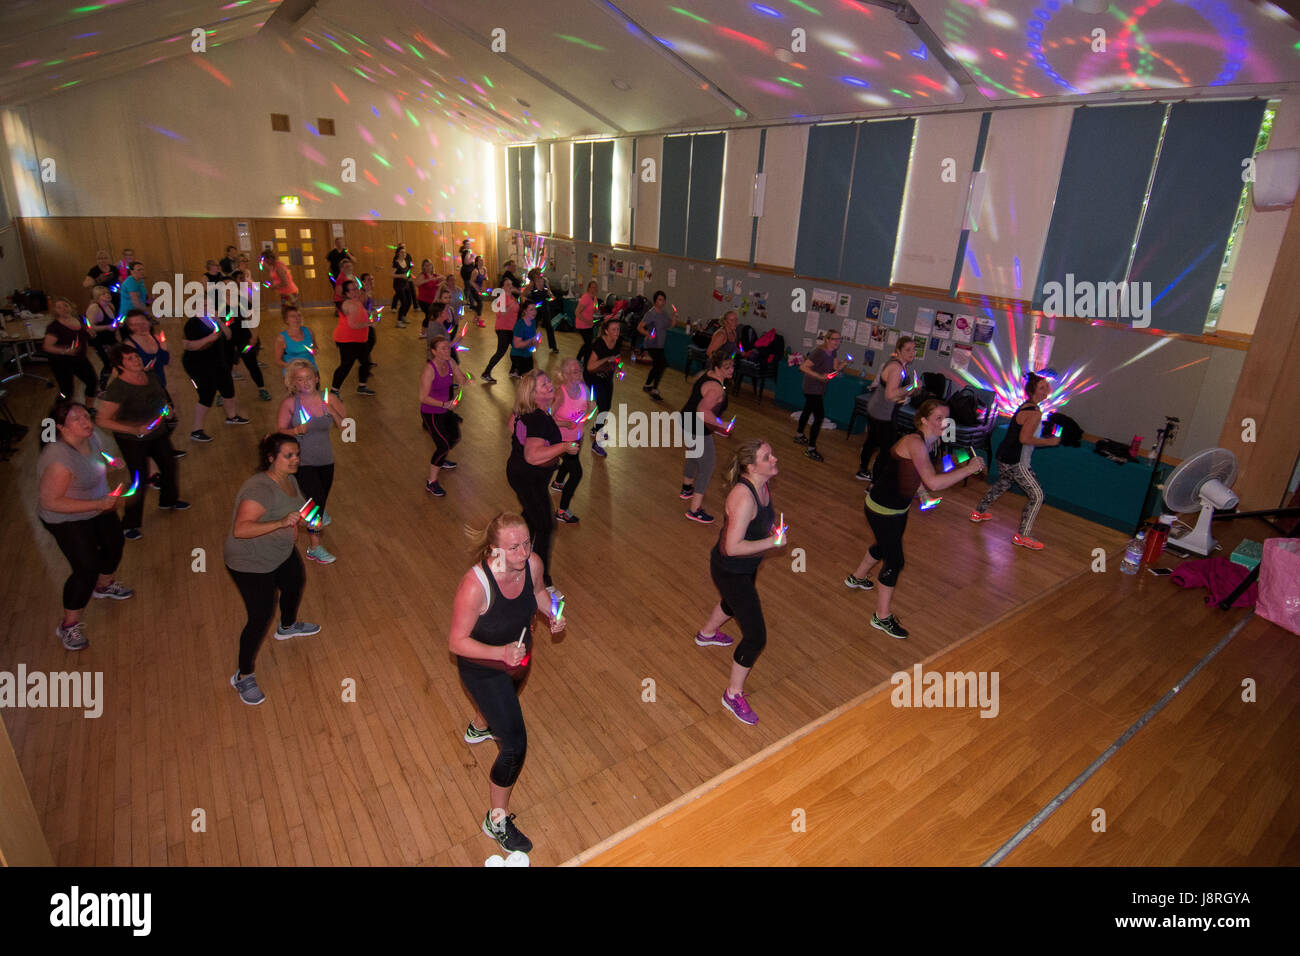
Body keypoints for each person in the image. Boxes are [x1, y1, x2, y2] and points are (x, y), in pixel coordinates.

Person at [450, 512, 566, 853]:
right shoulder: (475, 585)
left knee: (503, 704)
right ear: (493, 550)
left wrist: (555, 613)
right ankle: (496, 820)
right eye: (513, 547)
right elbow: (456, 642)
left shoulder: (532, 564)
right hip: (484, 668)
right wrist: (501, 653)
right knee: (514, 746)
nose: (523, 552)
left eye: (527, 542)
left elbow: (542, 592)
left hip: (519, 659)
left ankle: (479, 726)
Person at [846, 398, 985, 638]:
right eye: (938, 418)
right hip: (882, 509)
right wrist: (969, 468)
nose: (944, 422)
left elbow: (919, 473)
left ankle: (856, 578)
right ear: (923, 420)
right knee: (895, 561)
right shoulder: (915, 442)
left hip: (896, 509)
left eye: (946, 418)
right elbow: (933, 480)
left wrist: (922, 493)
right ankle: (881, 617)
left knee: (884, 545)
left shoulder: (929, 442)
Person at [225, 433, 322, 705]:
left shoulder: (290, 479)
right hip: (249, 562)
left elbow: (302, 508)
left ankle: (287, 626)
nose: (295, 460)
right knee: (260, 616)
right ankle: (243, 676)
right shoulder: (259, 489)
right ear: (271, 458)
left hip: (280, 551)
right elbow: (241, 529)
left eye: (297, 455)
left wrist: (314, 522)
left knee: (295, 582)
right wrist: (281, 523)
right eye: (288, 456)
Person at [695, 438, 786, 726]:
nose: (774, 459)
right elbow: (731, 547)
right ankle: (733, 694)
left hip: (745, 566)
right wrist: (771, 541)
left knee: (732, 603)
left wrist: (769, 531)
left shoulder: (763, 485)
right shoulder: (744, 497)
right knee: (756, 636)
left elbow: (753, 527)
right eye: (767, 456)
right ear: (751, 466)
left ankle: (707, 634)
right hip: (731, 568)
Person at [37, 400, 133, 650]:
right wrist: (99, 505)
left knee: (114, 544)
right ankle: (68, 625)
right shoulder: (58, 459)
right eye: (76, 419)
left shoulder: (91, 436)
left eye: (85, 416)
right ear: (62, 428)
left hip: (98, 503)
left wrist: (111, 461)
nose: (85, 422)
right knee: (86, 568)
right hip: (66, 517)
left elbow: (99, 452)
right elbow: (50, 502)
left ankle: (105, 585)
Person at [96, 344, 189, 539]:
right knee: (140, 480)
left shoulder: (151, 376)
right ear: (120, 365)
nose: (136, 360)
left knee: (169, 466)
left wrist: (167, 409)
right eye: (129, 359)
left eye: (136, 356)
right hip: (132, 440)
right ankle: (129, 524)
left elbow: (160, 398)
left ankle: (168, 501)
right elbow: (102, 419)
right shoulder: (117, 389)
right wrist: (134, 429)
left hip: (157, 433)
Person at [971, 373, 1060, 550]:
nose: (1046, 390)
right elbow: (1025, 439)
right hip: (1015, 461)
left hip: (1004, 455)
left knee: (1003, 483)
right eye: (1042, 387)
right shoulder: (1034, 412)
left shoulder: (1027, 406)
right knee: (1038, 495)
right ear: (1033, 390)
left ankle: (978, 512)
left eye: (1046, 387)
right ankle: (1023, 536)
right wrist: (1049, 442)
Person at [507, 370, 577, 597]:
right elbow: (533, 456)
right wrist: (565, 446)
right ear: (533, 394)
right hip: (529, 478)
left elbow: (513, 426)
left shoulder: (529, 412)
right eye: (544, 385)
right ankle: (541, 582)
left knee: (530, 518)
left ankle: (505, 558)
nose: (550, 386)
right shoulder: (539, 418)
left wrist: (554, 425)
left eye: (548, 382)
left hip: (521, 474)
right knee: (546, 525)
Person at [277, 359, 347, 563]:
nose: (305, 382)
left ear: (316, 378)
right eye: (300, 379)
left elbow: (346, 426)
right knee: (314, 503)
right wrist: (296, 430)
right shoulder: (290, 403)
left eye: (309, 378)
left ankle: (306, 513)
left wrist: (331, 411)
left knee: (320, 501)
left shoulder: (329, 398)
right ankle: (314, 547)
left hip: (326, 459)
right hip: (302, 462)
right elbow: (280, 431)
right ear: (294, 383)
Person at [680, 350, 735, 524]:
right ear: (717, 367)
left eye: (732, 365)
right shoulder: (716, 388)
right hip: (697, 426)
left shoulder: (707, 374)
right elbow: (702, 411)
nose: (731, 370)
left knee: (693, 455)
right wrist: (721, 424)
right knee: (707, 465)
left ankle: (687, 488)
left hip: (686, 420)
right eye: (727, 367)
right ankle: (694, 509)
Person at [856, 336, 917, 482]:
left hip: (877, 409)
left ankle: (862, 471)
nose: (912, 353)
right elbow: (891, 394)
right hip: (883, 413)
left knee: (872, 441)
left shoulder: (900, 365)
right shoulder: (896, 367)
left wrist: (912, 389)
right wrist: (911, 387)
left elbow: (898, 391)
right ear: (898, 350)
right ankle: (874, 484)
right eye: (908, 350)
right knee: (887, 450)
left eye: (914, 349)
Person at [182, 306, 247, 442]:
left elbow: (228, 335)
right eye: (203, 305)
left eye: (209, 305)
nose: (207, 308)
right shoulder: (192, 323)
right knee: (207, 395)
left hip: (218, 362)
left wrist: (218, 320)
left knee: (228, 389)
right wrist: (209, 339)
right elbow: (188, 346)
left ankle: (231, 416)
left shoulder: (215, 320)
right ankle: (196, 430)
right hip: (198, 365)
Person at [420, 335, 469, 497]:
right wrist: (443, 404)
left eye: (448, 347)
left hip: (446, 410)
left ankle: (441, 459)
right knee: (443, 446)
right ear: (434, 352)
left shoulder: (450, 362)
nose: (447, 350)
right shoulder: (429, 370)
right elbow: (423, 397)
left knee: (454, 438)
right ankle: (431, 482)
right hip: (431, 412)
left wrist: (464, 379)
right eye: (443, 348)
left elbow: (460, 376)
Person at [795, 331, 847, 463]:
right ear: (827, 340)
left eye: (839, 340)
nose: (837, 342)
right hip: (811, 387)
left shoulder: (833, 352)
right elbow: (803, 367)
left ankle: (799, 435)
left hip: (819, 387)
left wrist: (843, 365)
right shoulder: (819, 352)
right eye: (834, 339)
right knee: (819, 416)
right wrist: (819, 376)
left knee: (807, 409)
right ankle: (811, 449)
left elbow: (833, 370)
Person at [550, 357, 591, 524]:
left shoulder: (584, 388)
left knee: (571, 462)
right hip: (562, 441)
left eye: (580, 370)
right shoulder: (560, 394)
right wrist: (565, 423)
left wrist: (591, 408)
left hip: (577, 438)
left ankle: (558, 482)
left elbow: (588, 414)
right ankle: (562, 511)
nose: (579, 373)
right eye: (575, 371)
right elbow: (547, 418)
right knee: (577, 472)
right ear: (565, 375)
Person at [42, 296, 98, 411]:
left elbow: (85, 333)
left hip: (79, 359)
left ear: (71, 306)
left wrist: (91, 333)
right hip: (61, 362)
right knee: (66, 391)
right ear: (55, 311)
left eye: (65, 306)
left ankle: (89, 408)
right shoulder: (54, 327)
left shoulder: (81, 319)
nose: (63, 309)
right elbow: (47, 347)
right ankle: (59, 411)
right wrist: (65, 351)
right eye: (59, 307)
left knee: (92, 382)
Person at [228, 270, 271, 400]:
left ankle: (262, 389)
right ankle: (222, 394)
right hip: (226, 340)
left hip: (243, 338)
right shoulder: (217, 303)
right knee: (225, 368)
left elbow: (252, 319)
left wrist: (254, 336)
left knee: (251, 364)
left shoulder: (242, 301)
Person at [584, 316, 622, 459]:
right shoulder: (599, 345)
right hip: (593, 378)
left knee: (607, 407)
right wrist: (607, 359)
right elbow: (589, 367)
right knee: (604, 407)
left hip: (606, 377)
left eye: (618, 329)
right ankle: (597, 444)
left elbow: (617, 358)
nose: (617, 332)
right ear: (606, 331)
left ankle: (596, 428)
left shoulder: (617, 342)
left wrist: (619, 368)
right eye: (614, 329)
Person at [331, 278, 376, 395]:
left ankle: (362, 386)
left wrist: (370, 312)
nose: (355, 292)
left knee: (365, 362)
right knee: (346, 365)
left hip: (359, 339)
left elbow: (362, 310)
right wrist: (369, 323)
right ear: (346, 294)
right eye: (351, 291)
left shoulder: (356, 301)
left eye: (355, 289)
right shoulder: (349, 304)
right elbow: (352, 325)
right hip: (347, 340)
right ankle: (334, 390)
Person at [120, 308, 171, 389]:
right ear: (129, 327)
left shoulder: (157, 338)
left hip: (159, 384)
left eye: (143, 322)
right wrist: (142, 370)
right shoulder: (129, 346)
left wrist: (164, 349)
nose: (141, 327)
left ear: (149, 322)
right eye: (135, 324)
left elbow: (165, 361)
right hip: (142, 389)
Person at [481, 278, 519, 384]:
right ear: (502, 287)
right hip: (503, 328)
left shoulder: (512, 297)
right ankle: (486, 373)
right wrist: (511, 306)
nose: (510, 286)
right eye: (507, 285)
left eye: (511, 284)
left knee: (517, 348)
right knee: (501, 352)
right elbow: (501, 313)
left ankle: (513, 370)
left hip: (511, 328)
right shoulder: (502, 298)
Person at [637, 290, 671, 401]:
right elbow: (640, 327)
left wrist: (674, 319)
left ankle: (647, 385)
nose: (662, 302)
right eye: (659, 300)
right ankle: (654, 389)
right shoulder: (651, 314)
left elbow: (669, 325)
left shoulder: (664, 313)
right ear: (655, 301)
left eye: (663, 300)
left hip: (660, 344)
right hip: (652, 344)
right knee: (662, 364)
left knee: (658, 365)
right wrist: (648, 334)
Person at [85, 285, 119, 388]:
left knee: (116, 360)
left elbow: (112, 323)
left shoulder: (110, 306)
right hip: (100, 341)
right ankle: (102, 386)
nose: (107, 295)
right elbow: (90, 327)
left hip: (110, 339)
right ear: (97, 297)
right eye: (103, 294)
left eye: (108, 293)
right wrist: (107, 327)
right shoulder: (94, 308)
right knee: (108, 363)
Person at [522, 268, 557, 354]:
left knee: (549, 326)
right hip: (535, 308)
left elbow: (548, 291)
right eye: (538, 273)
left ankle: (553, 346)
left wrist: (552, 296)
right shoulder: (531, 284)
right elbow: (523, 295)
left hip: (545, 306)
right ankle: (528, 345)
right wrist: (527, 304)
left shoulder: (545, 281)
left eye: (540, 273)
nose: (540, 274)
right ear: (534, 275)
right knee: (533, 327)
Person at [273, 306, 317, 372]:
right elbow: (277, 361)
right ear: (286, 320)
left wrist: (314, 350)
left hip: (311, 369)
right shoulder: (282, 338)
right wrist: (291, 366)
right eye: (292, 316)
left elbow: (314, 347)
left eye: (299, 315)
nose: (297, 318)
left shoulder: (309, 331)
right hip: (293, 372)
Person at [509, 302, 540, 379]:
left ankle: (515, 371)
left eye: (535, 309)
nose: (534, 312)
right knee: (528, 379)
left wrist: (535, 343)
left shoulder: (533, 322)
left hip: (527, 355)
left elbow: (532, 342)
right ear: (525, 311)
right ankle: (516, 371)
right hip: (517, 356)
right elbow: (516, 345)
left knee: (530, 378)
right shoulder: (520, 325)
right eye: (531, 310)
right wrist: (531, 340)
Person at [415, 259, 441, 338]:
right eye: (426, 265)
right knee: (429, 315)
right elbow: (416, 283)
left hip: (433, 300)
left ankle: (428, 332)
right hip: (423, 300)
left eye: (429, 265)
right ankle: (423, 333)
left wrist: (440, 282)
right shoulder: (422, 275)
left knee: (431, 316)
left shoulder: (435, 275)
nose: (428, 267)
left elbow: (445, 279)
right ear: (423, 267)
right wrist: (429, 279)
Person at [391, 242, 415, 327]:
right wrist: (401, 275)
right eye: (402, 252)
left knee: (409, 302)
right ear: (398, 253)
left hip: (406, 284)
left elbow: (408, 271)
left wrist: (411, 276)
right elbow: (392, 274)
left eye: (405, 252)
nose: (404, 254)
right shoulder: (396, 262)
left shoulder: (406, 261)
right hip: (398, 285)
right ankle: (399, 321)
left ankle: (404, 316)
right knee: (404, 302)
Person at [575, 280, 599, 352]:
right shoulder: (585, 298)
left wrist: (597, 307)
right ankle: (585, 362)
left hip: (589, 324)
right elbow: (577, 312)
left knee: (588, 344)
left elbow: (595, 309)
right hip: (582, 324)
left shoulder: (594, 298)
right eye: (592, 287)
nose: (594, 289)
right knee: (589, 345)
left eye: (595, 288)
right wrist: (587, 321)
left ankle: (579, 359)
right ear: (588, 288)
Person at [468, 255, 487, 325]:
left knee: (479, 304)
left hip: (479, 290)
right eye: (480, 261)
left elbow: (485, 278)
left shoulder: (484, 269)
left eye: (482, 261)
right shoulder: (475, 271)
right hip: (473, 289)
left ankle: (475, 318)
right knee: (480, 304)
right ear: (476, 263)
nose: (482, 262)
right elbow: (471, 281)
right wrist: (477, 288)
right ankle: (478, 319)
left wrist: (483, 288)